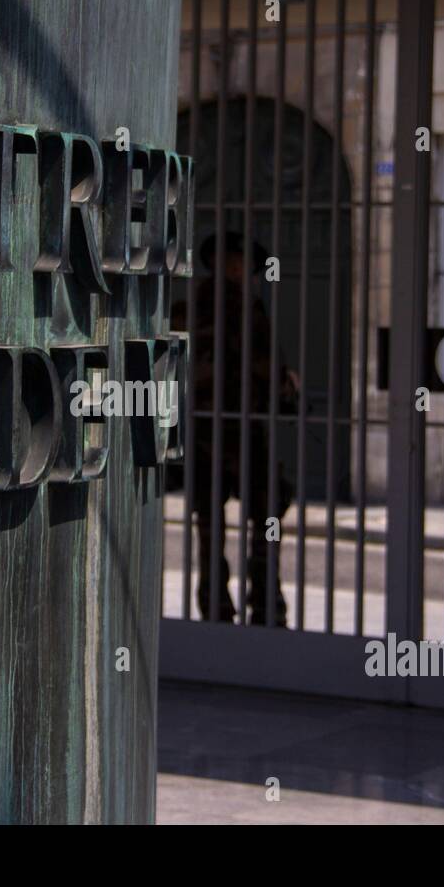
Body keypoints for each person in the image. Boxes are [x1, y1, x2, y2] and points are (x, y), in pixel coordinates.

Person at [170, 231, 299, 626]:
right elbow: (263, 368)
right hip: (232, 429)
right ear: (228, 265)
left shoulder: (193, 308)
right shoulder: (241, 309)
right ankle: (262, 605)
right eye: (242, 265)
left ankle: (219, 608)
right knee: (260, 518)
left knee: (214, 527)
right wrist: (285, 389)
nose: (249, 274)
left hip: (213, 428)